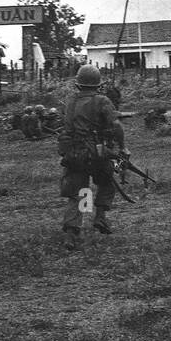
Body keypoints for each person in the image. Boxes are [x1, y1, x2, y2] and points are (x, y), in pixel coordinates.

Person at [57, 65, 125, 250]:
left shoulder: (70, 101)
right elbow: (116, 126)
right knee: (107, 182)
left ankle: (72, 233)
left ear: (78, 84)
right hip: (98, 153)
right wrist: (123, 148)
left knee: (80, 191)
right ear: (98, 84)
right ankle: (100, 217)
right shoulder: (102, 100)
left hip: (74, 153)